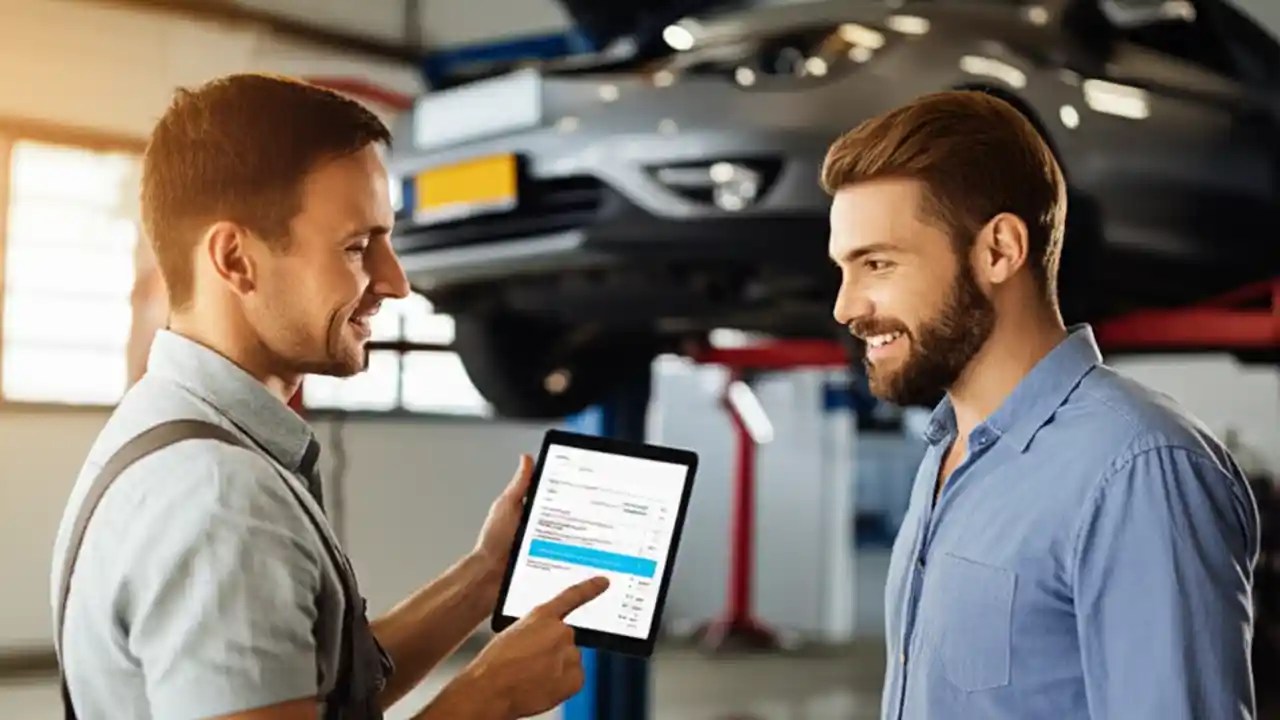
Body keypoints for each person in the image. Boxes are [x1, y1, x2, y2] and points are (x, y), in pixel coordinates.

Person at [50, 73, 609, 720]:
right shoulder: (219, 500)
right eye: (356, 247)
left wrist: (485, 574)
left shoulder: (171, 427)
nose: (396, 283)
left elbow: (313, 686)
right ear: (235, 260)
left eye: (387, 242)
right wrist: (484, 699)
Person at [822, 90, 1260, 720]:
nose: (846, 307)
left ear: (999, 249)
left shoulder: (1137, 471)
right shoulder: (949, 451)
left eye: (878, 263)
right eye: (844, 268)